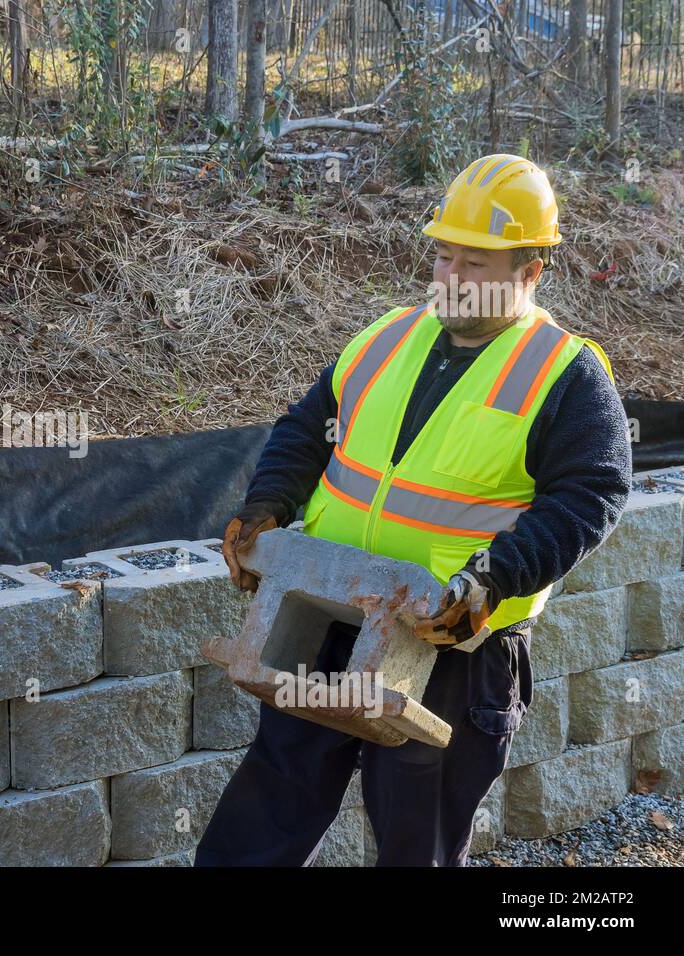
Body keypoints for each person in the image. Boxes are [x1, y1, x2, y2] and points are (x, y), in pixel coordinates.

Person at [195, 154, 634, 866]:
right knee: (263, 818)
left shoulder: (565, 374)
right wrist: (267, 507)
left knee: (415, 844)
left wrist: (491, 580)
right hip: (328, 618)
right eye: (444, 256)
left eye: (477, 264)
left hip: (452, 648)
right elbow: (307, 427)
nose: (451, 278)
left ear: (532, 272)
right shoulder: (386, 338)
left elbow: (593, 494)